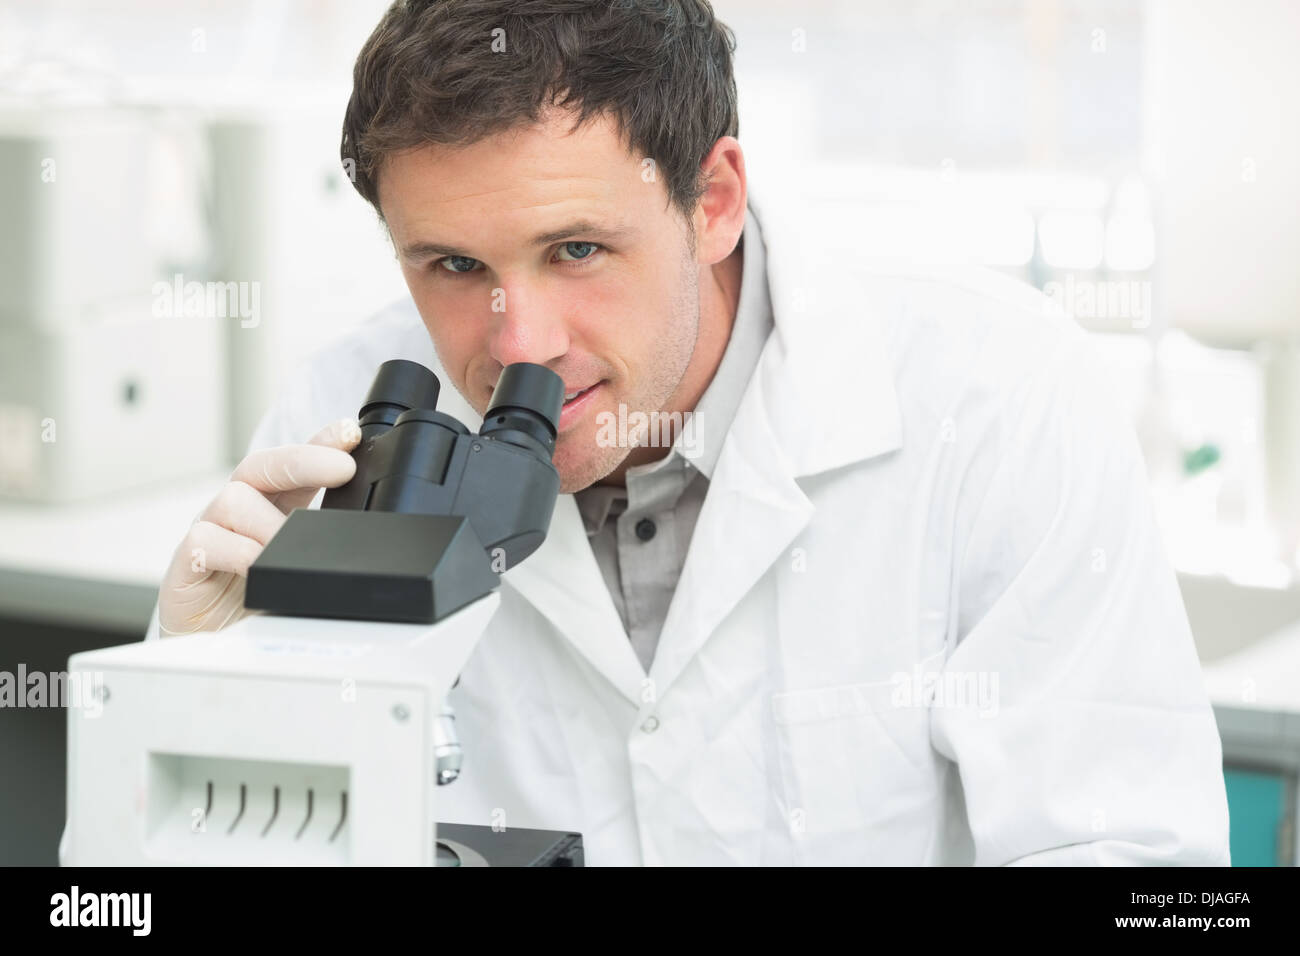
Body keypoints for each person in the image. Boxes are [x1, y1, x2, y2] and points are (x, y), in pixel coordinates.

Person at [145, 0, 1231, 865]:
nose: (518, 343)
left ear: (712, 198)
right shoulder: (343, 426)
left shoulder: (995, 395)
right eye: (453, 265)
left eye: (574, 249)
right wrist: (184, 713)